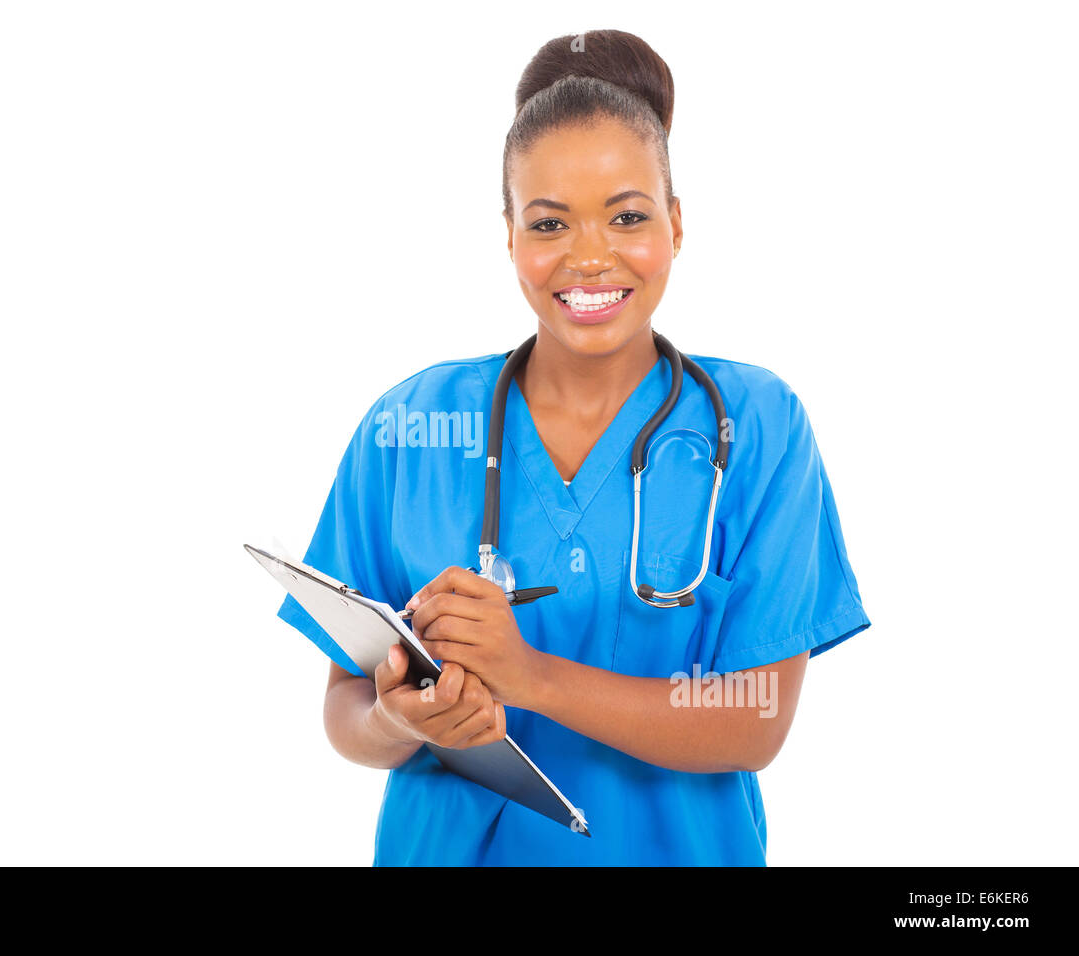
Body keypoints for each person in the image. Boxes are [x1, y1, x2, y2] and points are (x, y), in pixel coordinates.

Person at [277, 29, 870, 866]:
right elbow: (346, 707)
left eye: (627, 216)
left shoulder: (758, 425)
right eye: (550, 222)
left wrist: (530, 678)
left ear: (674, 223)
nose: (590, 257)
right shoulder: (407, 427)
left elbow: (755, 720)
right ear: (511, 235)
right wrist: (395, 720)